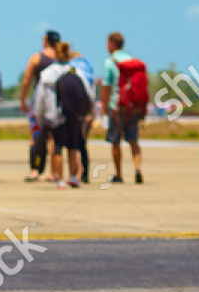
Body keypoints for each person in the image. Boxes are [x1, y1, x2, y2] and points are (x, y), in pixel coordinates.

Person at [33, 41, 93, 189]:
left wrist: (40, 116)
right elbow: (88, 93)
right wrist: (89, 111)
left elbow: (40, 97)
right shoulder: (76, 71)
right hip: (74, 114)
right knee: (73, 146)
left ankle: (59, 179)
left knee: (58, 146)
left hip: (56, 115)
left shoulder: (48, 73)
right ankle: (73, 177)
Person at [100, 31, 145, 184]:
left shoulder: (110, 62)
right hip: (133, 106)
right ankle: (138, 168)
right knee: (133, 140)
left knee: (115, 141)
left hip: (117, 107)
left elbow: (107, 87)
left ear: (112, 44)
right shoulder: (133, 60)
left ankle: (118, 174)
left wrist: (104, 106)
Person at [18, 30, 60, 181]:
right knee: (55, 137)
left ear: (46, 41)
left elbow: (26, 79)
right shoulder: (62, 58)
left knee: (36, 136)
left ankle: (35, 169)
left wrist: (22, 100)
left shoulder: (37, 57)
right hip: (58, 102)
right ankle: (55, 172)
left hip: (40, 101)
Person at [68, 47, 96, 183]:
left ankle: (77, 171)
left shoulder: (72, 69)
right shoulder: (88, 70)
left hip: (75, 111)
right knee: (83, 143)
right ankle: (84, 173)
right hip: (88, 110)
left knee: (74, 143)